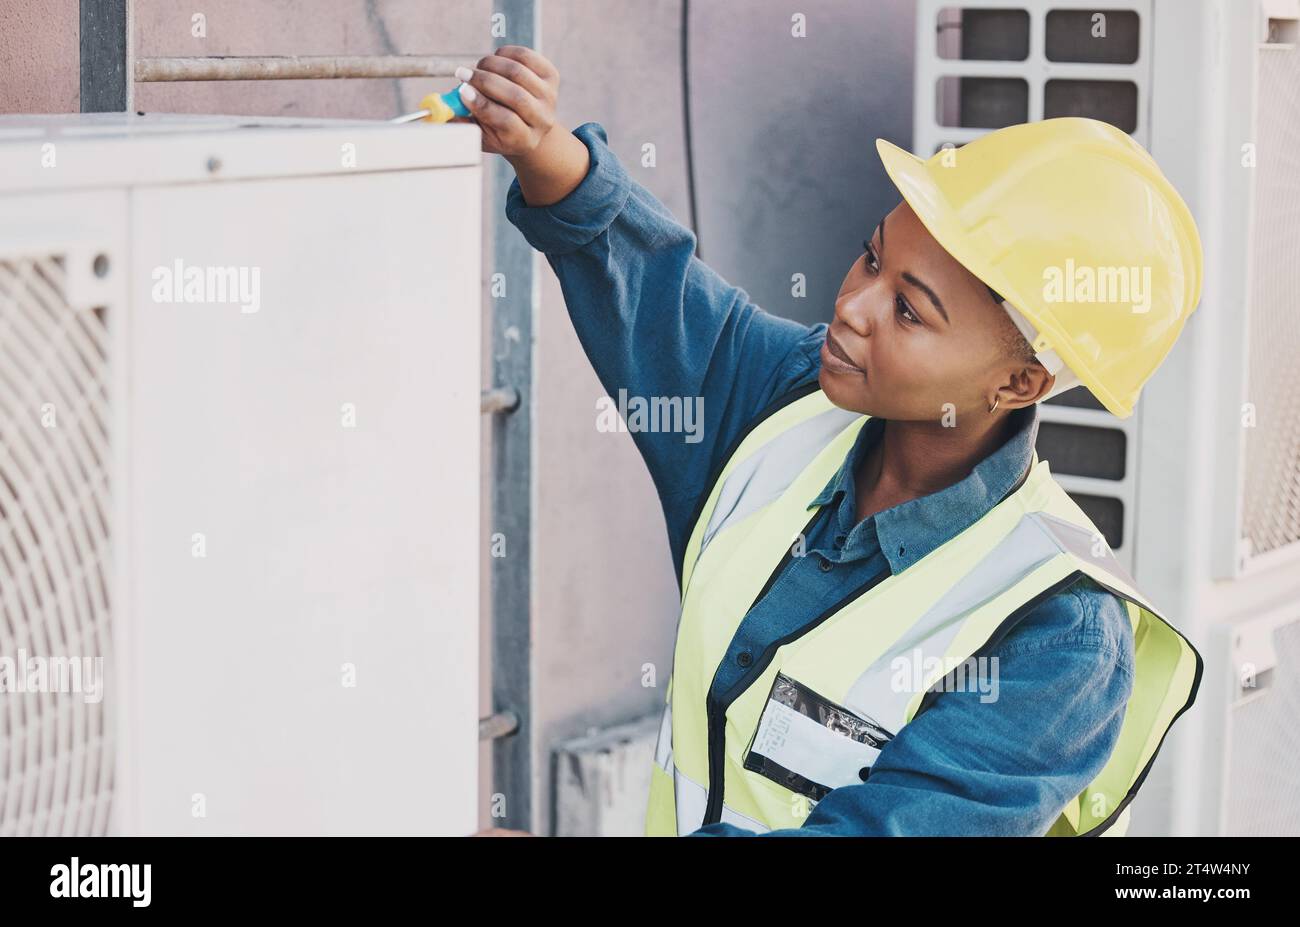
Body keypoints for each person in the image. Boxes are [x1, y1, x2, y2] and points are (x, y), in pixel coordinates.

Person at [463, 45, 1203, 838]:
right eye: (873, 256)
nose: (853, 304)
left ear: (1019, 383)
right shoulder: (788, 401)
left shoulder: (1058, 637)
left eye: (910, 311)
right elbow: (660, 298)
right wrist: (546, 151)